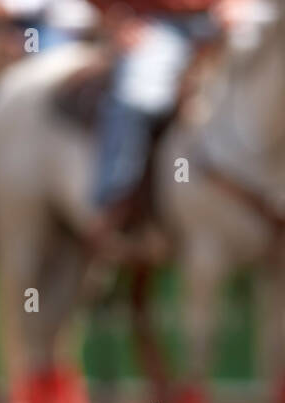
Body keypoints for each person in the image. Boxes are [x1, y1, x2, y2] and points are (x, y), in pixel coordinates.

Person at [85, 0, 226, 244]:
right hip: (160, 24)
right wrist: (117, 20)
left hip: (227, 22)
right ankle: (118, 199)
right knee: (138, 96)